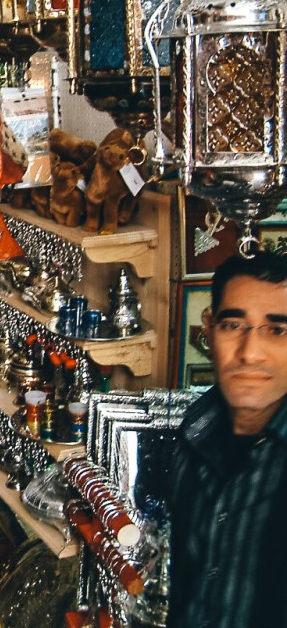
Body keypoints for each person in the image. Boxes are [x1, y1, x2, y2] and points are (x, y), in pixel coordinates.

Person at [167, 252, 287, 628]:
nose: (249, 353)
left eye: (277, 330)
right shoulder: (193, 433)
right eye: (233, 325)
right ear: (209, 329)